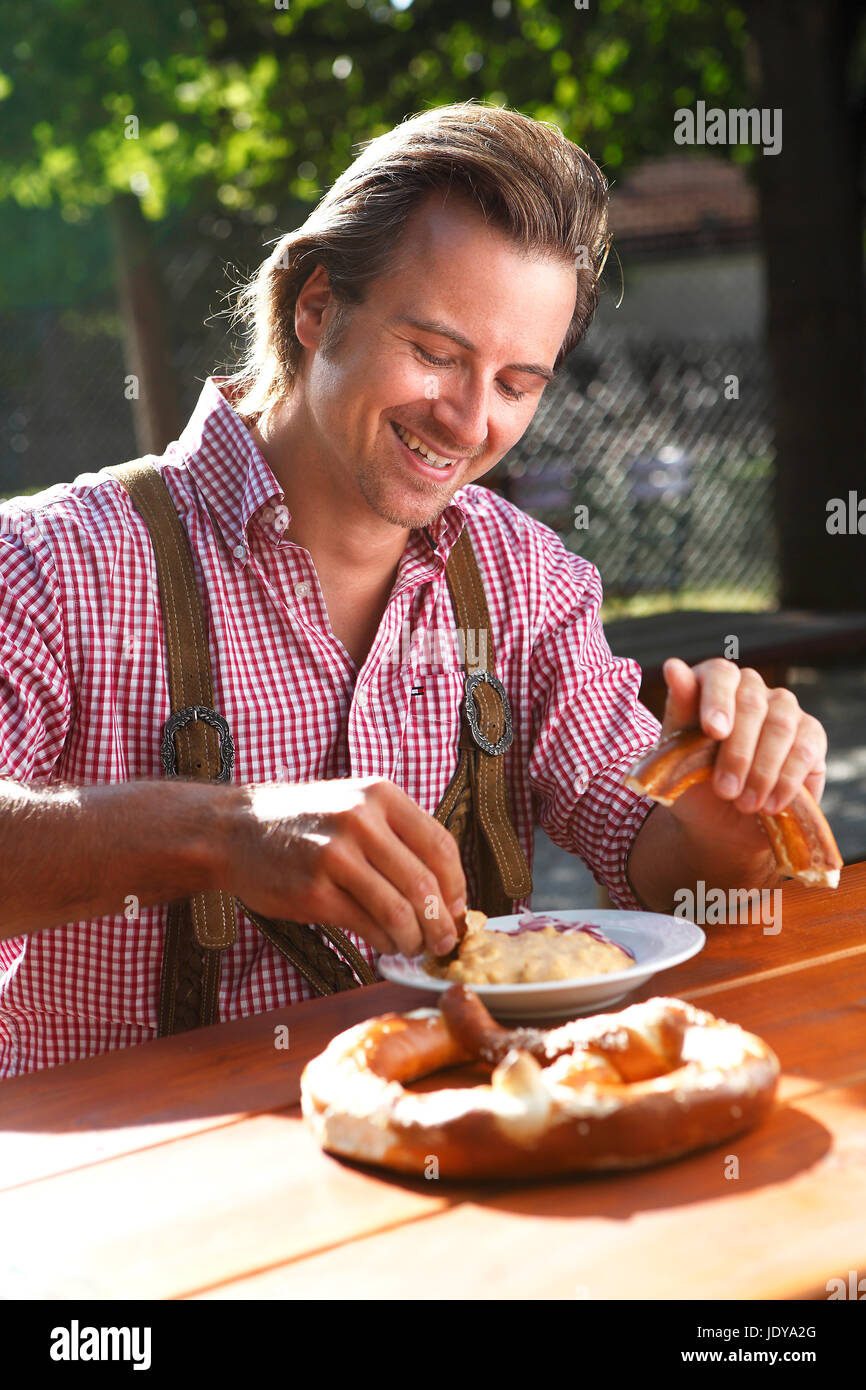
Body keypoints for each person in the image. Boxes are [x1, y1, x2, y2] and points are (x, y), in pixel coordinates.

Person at [0, 103, 827, 1079]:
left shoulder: (526, 580)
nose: (470, 419)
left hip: (469, 1150)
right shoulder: (53, 565)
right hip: (137, 1198)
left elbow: (662, 871)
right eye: (434, 352)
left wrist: (727, 830)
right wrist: (219, 832)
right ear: (315, 308)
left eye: (517, 382)